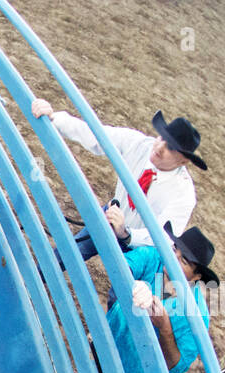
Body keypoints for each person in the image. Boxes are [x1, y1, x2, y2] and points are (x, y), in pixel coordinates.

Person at [31, 98, 205, 261]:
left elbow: (164, 237)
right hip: (111, 216)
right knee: (68, 253)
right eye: (162, 138)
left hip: (139, 248)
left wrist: (127, 235)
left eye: (171, 148)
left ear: (184, 160)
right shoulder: (139, 144)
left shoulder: (184, 195)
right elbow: (97, 135)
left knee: (127, 290)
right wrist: (54, 118)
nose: (159, 147)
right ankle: (31, 280)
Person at [105, 223, 218, 373]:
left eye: (183, 261)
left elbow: (175, 365)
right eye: (174, 250)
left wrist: (165, 327)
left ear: (197, 277)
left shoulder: (197, 316)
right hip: (103, 348)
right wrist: (134, 284)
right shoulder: (154, 256)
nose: (172, 259)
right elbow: (120, 265)